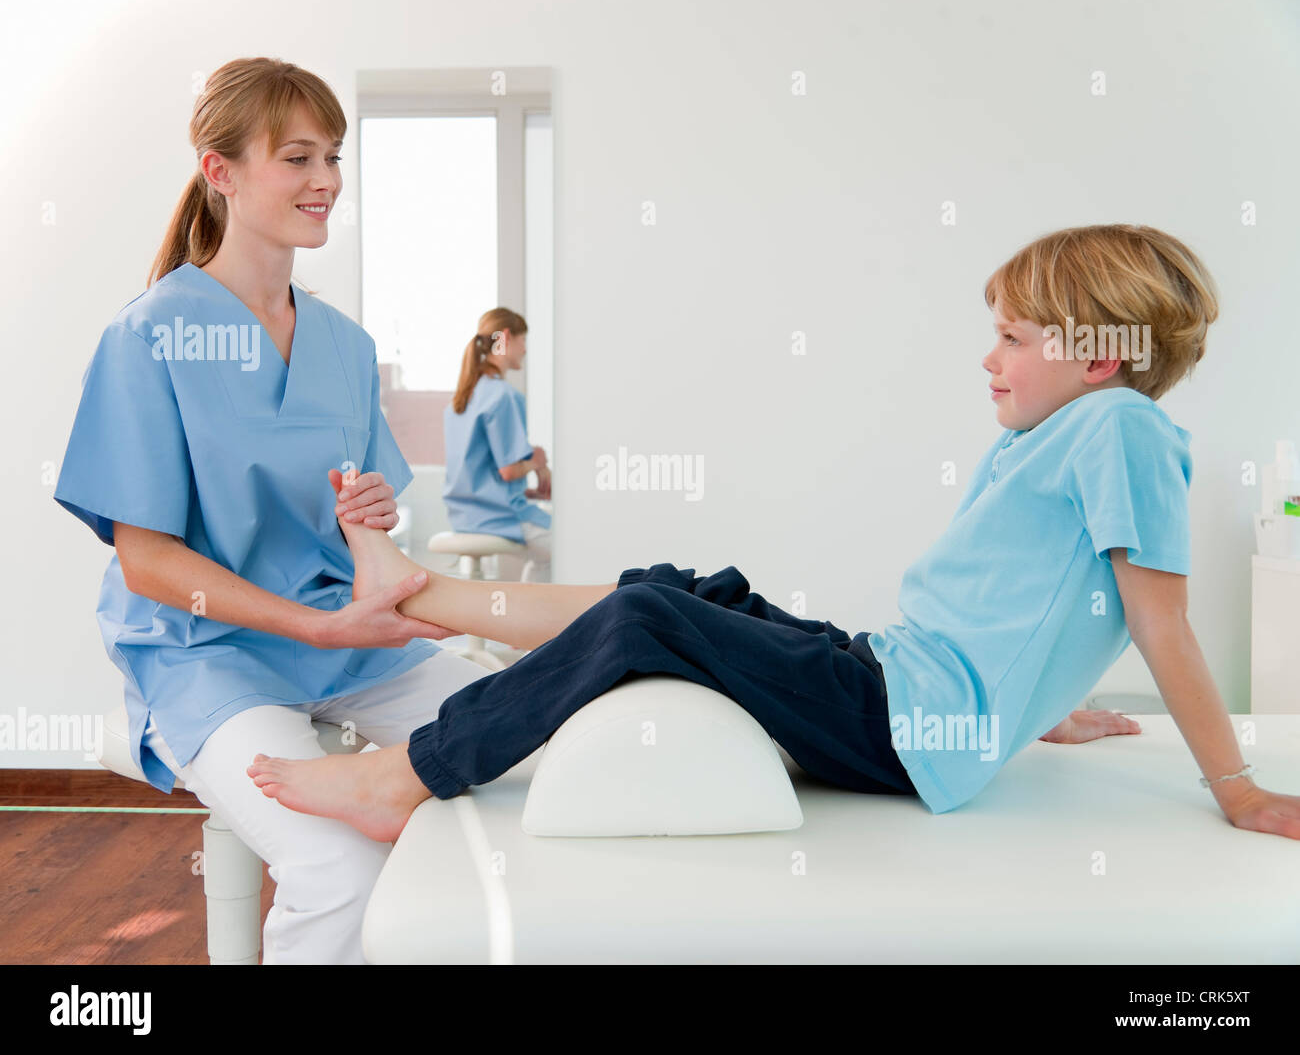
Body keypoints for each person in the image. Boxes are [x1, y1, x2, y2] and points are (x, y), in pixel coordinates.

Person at [247, 224, 1300, 843]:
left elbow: (1160, 622)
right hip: (887, 675)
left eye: (1013, 339)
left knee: (652, 616)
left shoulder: (1118, 428)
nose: (991, 359)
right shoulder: (1064, 434)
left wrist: (1236, 787)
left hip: (900, 726)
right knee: (689, 588)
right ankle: (419, 594)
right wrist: (1037, 706)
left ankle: (410, 774)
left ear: (1100, 354)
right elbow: (1040, 606)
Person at [53, 56, 496, 964]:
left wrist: (366, 521)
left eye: (333, 157)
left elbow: (362, 523)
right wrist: (318, 629)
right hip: (208, 654)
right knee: (337, 865)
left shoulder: (343, 344)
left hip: (345, 639)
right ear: (221, 171)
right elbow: (151, 564)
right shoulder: (149, 338)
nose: (327, 180)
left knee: (516, 755)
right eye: (297, 158)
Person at [442, 308, 552, 583]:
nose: (525, 349)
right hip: (499, 516)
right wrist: (537, 462)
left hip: (465, 515)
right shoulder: (502, 395)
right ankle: (535, 620)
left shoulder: (463, 398)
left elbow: (481, 473)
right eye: (523, 339)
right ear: (505, 337)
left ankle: (531, 616)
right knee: (569, 548)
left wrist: (525, 489)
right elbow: (508, 471)